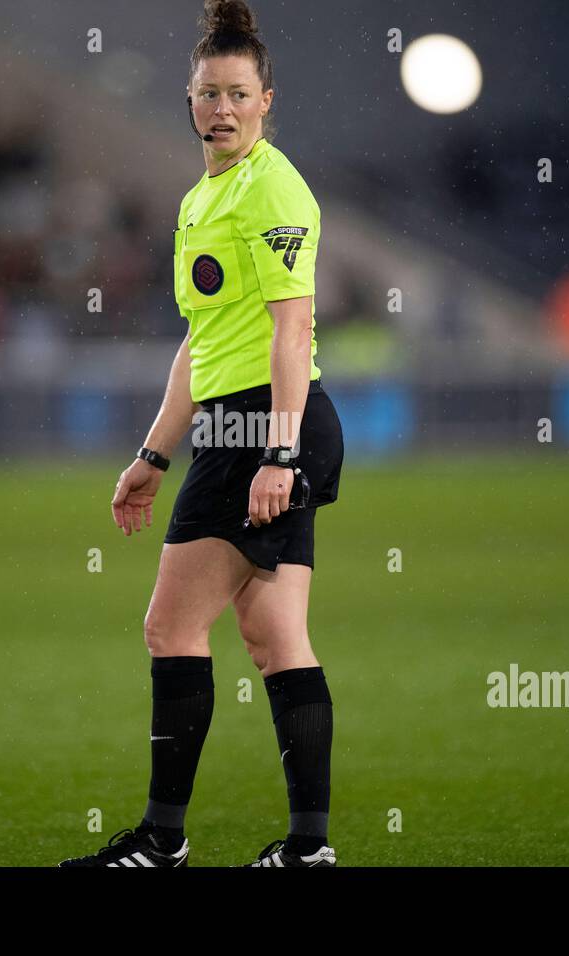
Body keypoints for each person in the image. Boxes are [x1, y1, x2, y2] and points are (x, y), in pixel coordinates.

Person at [59, 0, 344, 868]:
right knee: (275, 641)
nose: (221, 108)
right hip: (240, 427)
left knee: (169, 628)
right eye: (207, 93)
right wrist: (151, 453)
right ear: (189, 102)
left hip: (268, 424)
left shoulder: (274, 189)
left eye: (237, 94)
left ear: (267, 101)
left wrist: (279, 450)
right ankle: (306, 853)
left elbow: (291, 332)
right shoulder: (200, 201)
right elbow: (200, 343)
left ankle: (162, 841)